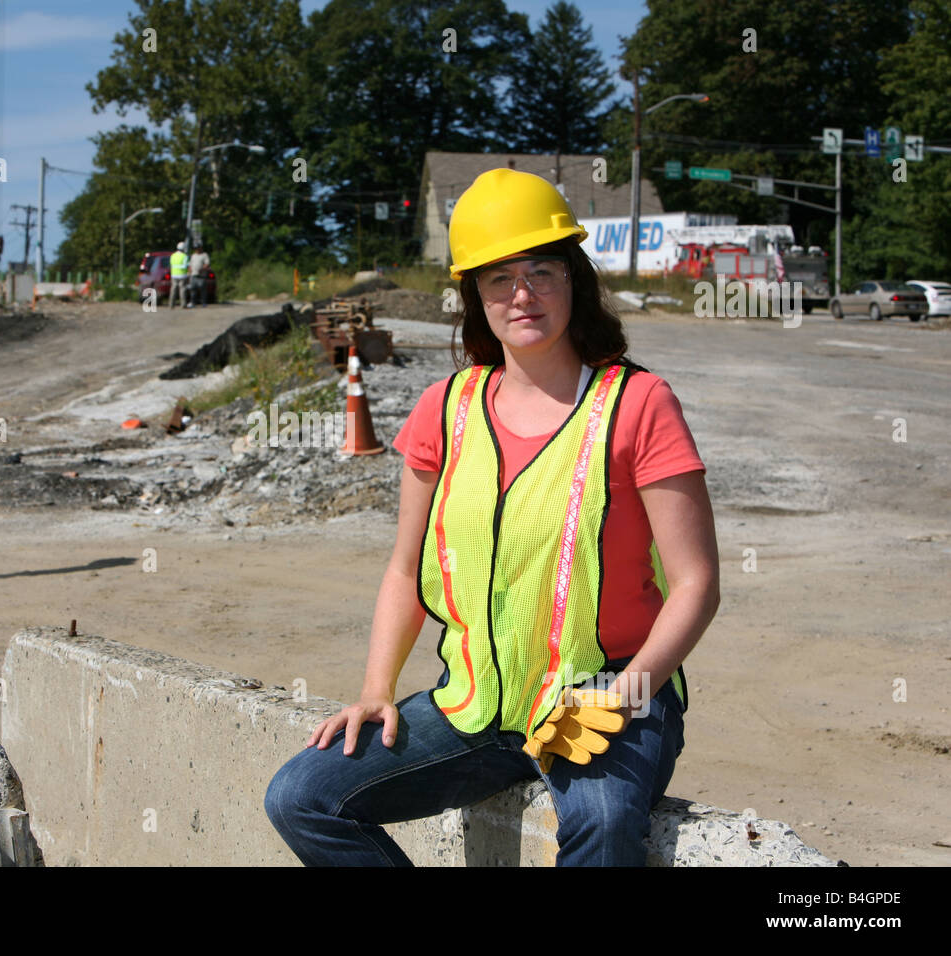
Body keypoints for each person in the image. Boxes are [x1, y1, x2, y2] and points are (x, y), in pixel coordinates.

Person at [264, 168, 720, 866]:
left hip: (602, 699)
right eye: (499, 278)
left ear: (575, 279)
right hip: (477, 708)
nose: (524, 294)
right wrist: (376, 691)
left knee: (600, 820)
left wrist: (629, 692)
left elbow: (696, 584)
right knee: (302, 796)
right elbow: (404, 567)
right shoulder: (443, 411)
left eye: (543, 270)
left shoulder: (638, 404)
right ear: (475, 296)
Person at [169, 241, 189, 309]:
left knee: (173, 290)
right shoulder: (184, 256)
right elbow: (185, 266)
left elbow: (171, 265)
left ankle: (171, 304)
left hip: (174, 275)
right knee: (182, 290)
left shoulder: (173, 255)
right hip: (182, 275)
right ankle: (183, 304)